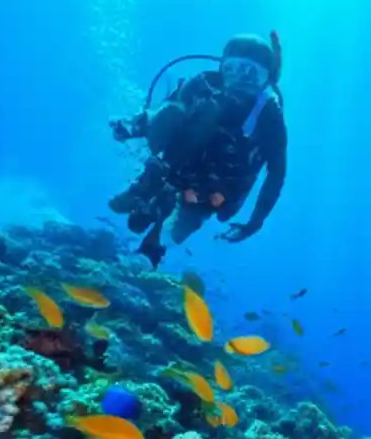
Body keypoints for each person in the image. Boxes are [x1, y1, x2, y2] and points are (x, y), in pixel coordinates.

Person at [108, 32, 288, 267]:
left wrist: (256, 221)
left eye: (251, 72)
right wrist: (132, 127)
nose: (240, 79)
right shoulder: (203, 84)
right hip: (177, 165)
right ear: (222, 67)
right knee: (188, 110)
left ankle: (155, 242)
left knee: (175, 231)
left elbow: (276, 173)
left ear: (266, 79)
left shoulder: (269, 114)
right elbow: (163, 115)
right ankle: (148, 186)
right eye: (233, 69)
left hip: (218, 189)